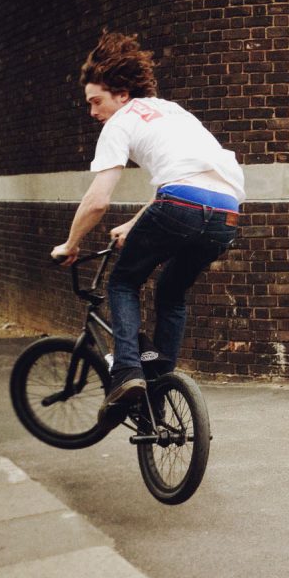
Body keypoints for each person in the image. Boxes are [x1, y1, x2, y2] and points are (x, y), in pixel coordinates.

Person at [52, 30, 244, 417]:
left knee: (123, 283)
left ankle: (127, 372)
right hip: (227, 211)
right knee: (171, 292)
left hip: (180, 205)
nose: (92, 112)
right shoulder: (173, 111)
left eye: (96, 101)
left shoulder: (120, 122)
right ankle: (160, 380)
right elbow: (187, 177)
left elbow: (98, 200)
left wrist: (70, 244)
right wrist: (134, 225)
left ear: (121, 94)